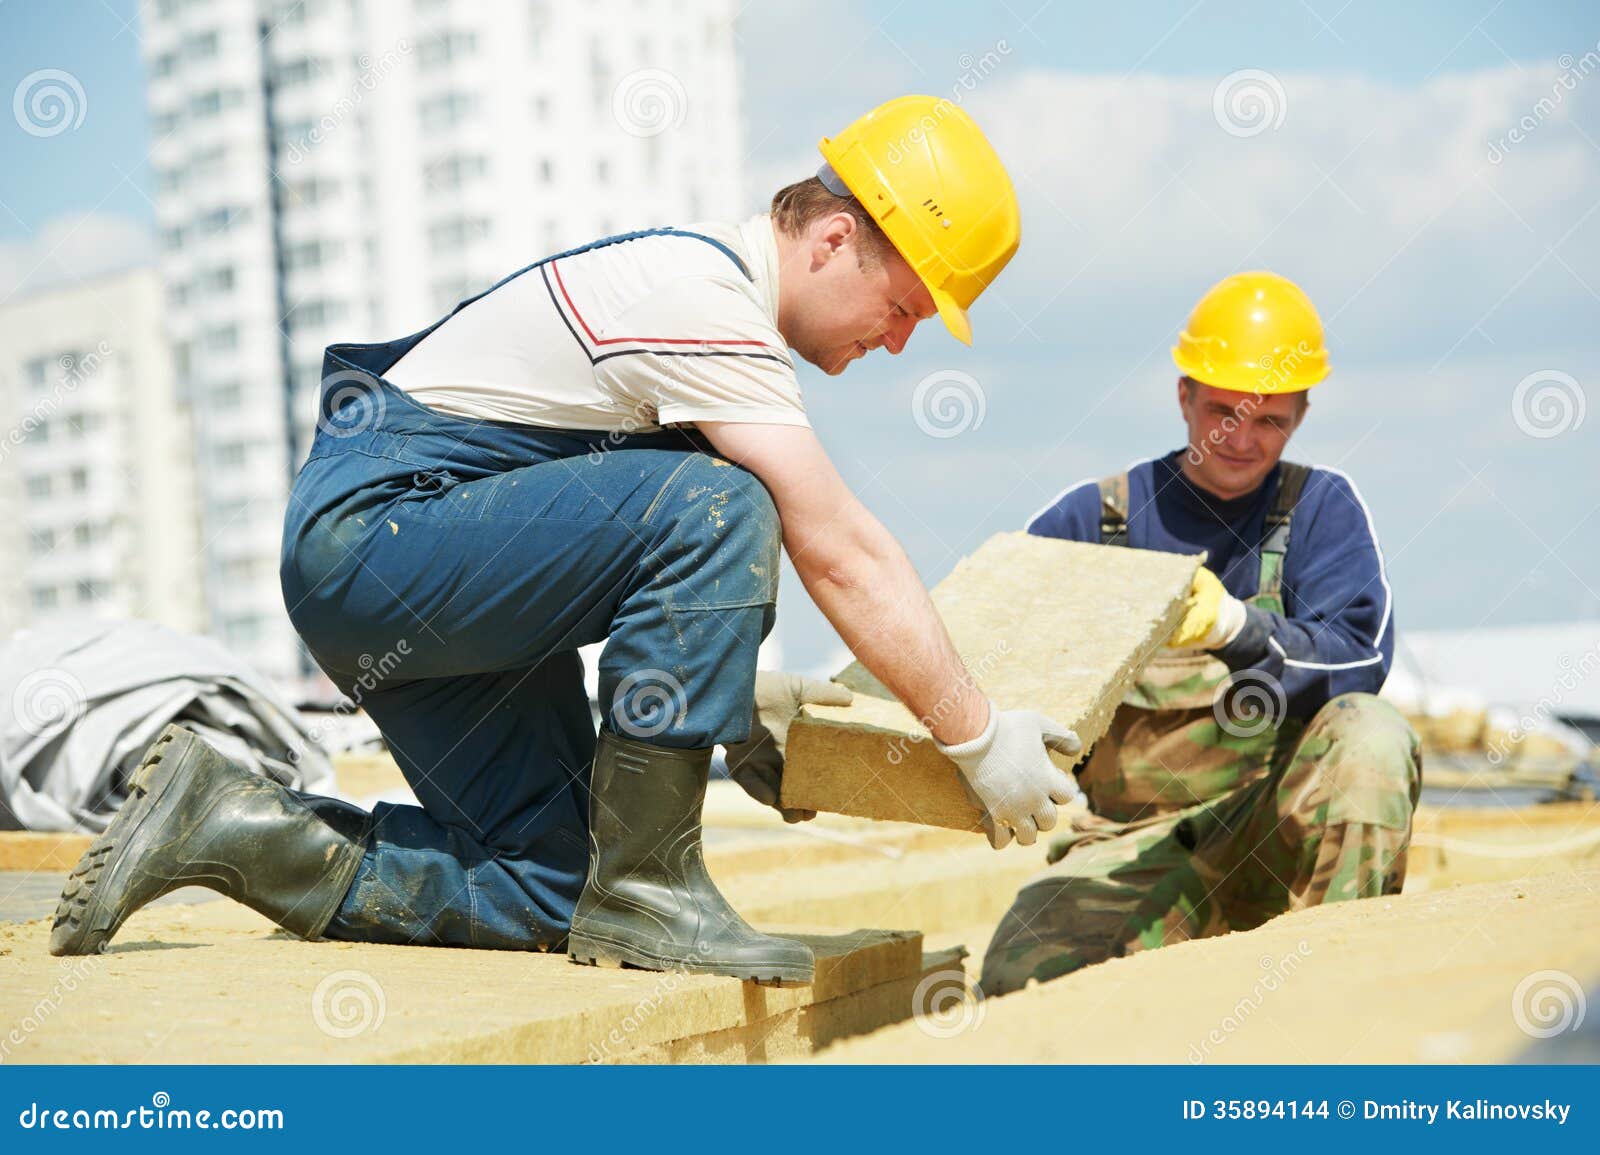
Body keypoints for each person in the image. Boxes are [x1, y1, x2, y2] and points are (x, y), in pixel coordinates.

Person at [51, 96, 1084, 985]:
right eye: (901, 307)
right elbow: (835, 548)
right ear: (831, 240)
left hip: (416, 583)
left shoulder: (703, 321)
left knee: (551, 889)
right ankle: (653, 887)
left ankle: (230, 826)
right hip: (380, 540)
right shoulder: (704, 299)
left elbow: (598, 547)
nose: (897, 340)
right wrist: (974, 734)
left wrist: (737, 717)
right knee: (720, 505)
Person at [981, 271, 1422, 995]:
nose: (1242, 440)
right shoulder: (1094, 523)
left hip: (1274, 828)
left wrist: (1238, 627)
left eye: (1270, 421)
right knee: (1018, 981)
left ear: (1301, 415)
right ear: (1183, 395)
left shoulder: (1320, 512)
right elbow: (991, 655)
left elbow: (1360, 661)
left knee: (1372, 732)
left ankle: (1340, 996)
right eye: (1222, 411)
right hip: (1136, 846)